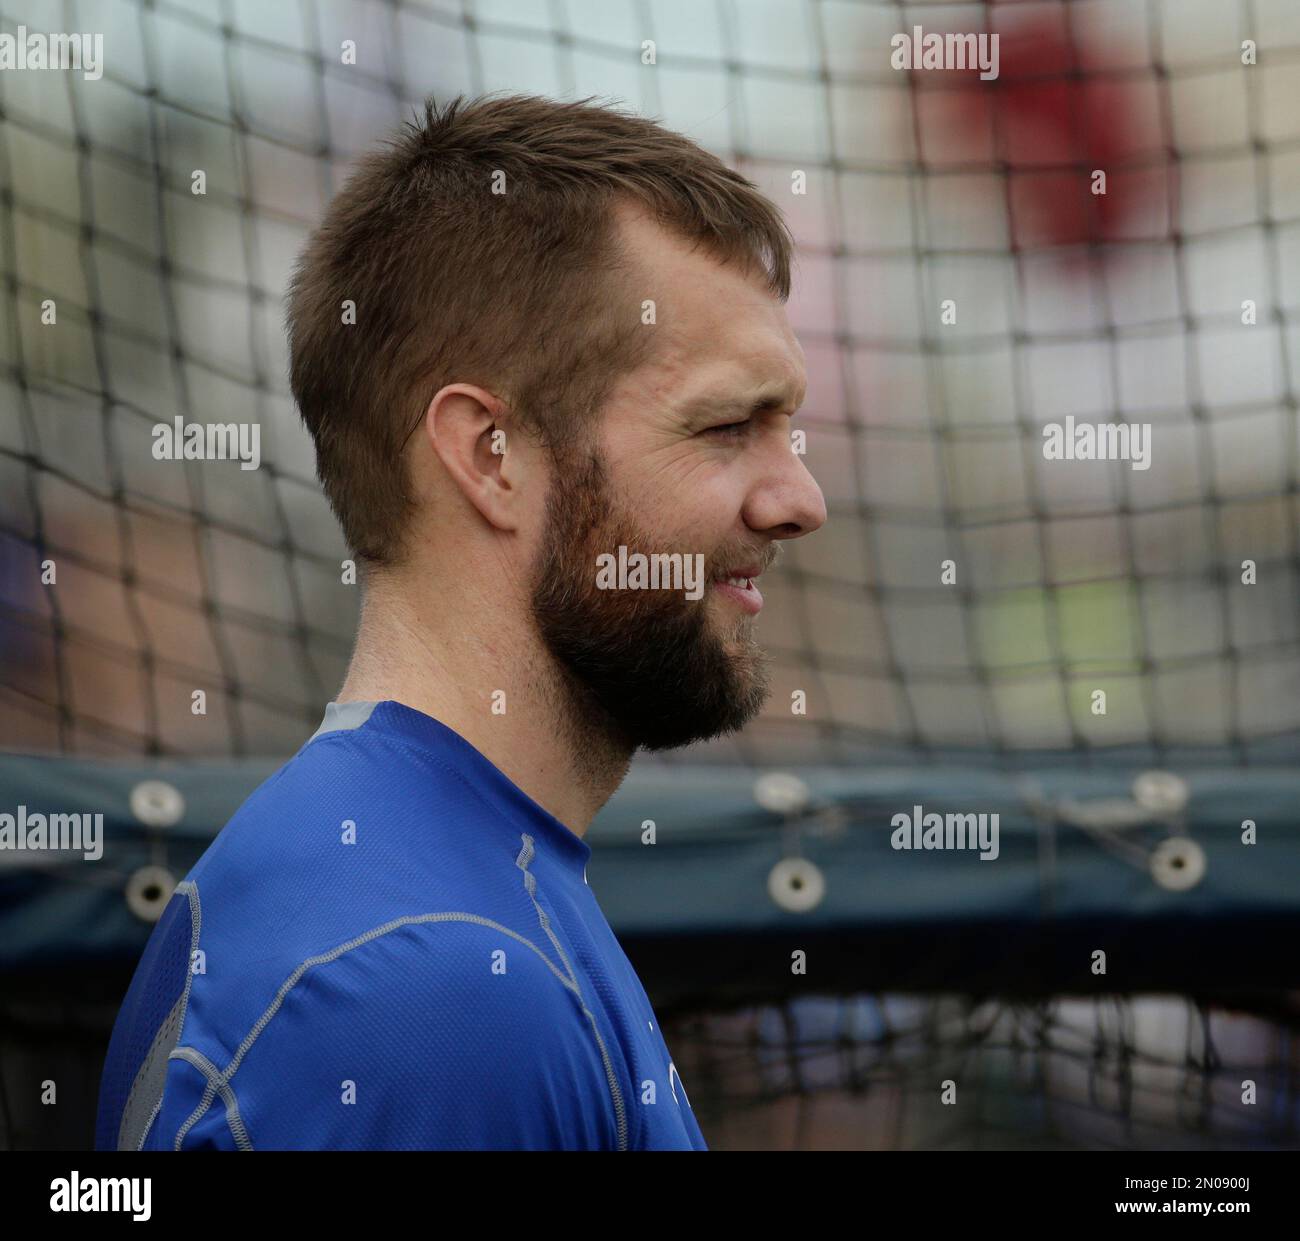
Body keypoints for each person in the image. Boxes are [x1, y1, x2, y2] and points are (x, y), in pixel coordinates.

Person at [96, 93, 826, 1151]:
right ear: (491, 455)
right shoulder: (422, 987)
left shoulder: (437, 887)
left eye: (788, 428)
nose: (799, 498)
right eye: (725, 425)